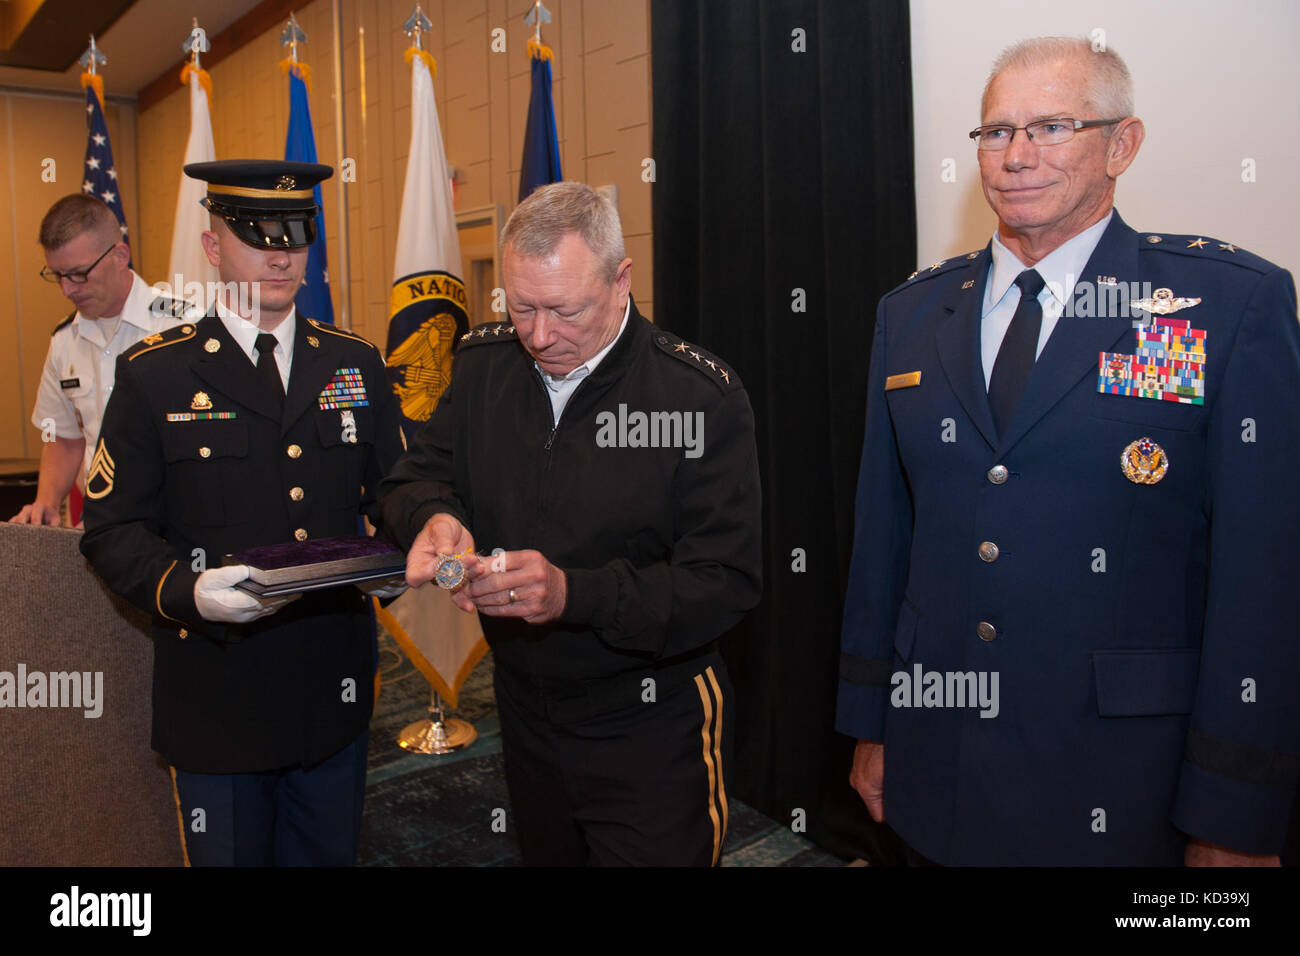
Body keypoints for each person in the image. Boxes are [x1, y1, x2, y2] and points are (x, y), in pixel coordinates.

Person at [837, 36, 1299, 866]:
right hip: (940, 763)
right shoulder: (910, 315)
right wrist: (872, 723)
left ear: (1122, 143)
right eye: (995, 132)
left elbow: (1263, 583)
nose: (1016, 156)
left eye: (1051, 127)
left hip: (1126, 784)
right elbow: (885, 539)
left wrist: (1236, 811)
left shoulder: (1224, 309)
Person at [379, 181, 762, 866]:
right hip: (524, 710)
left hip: (651, 719)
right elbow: (416, 477)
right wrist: (436, 516)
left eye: (564, 310)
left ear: (621, 282)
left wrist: (572, 596)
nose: (539, 335)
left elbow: (725, 582)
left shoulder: (699, 398)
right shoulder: (483, 365)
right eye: (521, 307)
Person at [80, 160, 405, 866]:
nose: (281, 252)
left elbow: (396, 491)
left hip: (331, 690)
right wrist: (188, 592)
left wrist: (402, 554)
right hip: (217, 700)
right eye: (257, 235)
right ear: (213, 247)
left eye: (297, 232)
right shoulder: (154, 374)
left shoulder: (356, 364)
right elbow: (113, 529)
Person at [10, 194, 193, 526]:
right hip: (103, 528)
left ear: (120, 255)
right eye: (57, 275)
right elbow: (63, 436)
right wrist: (46, 503)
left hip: (179, 525)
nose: (67, 289)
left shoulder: (184, 325)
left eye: (79, 274)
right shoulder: (64, 341)